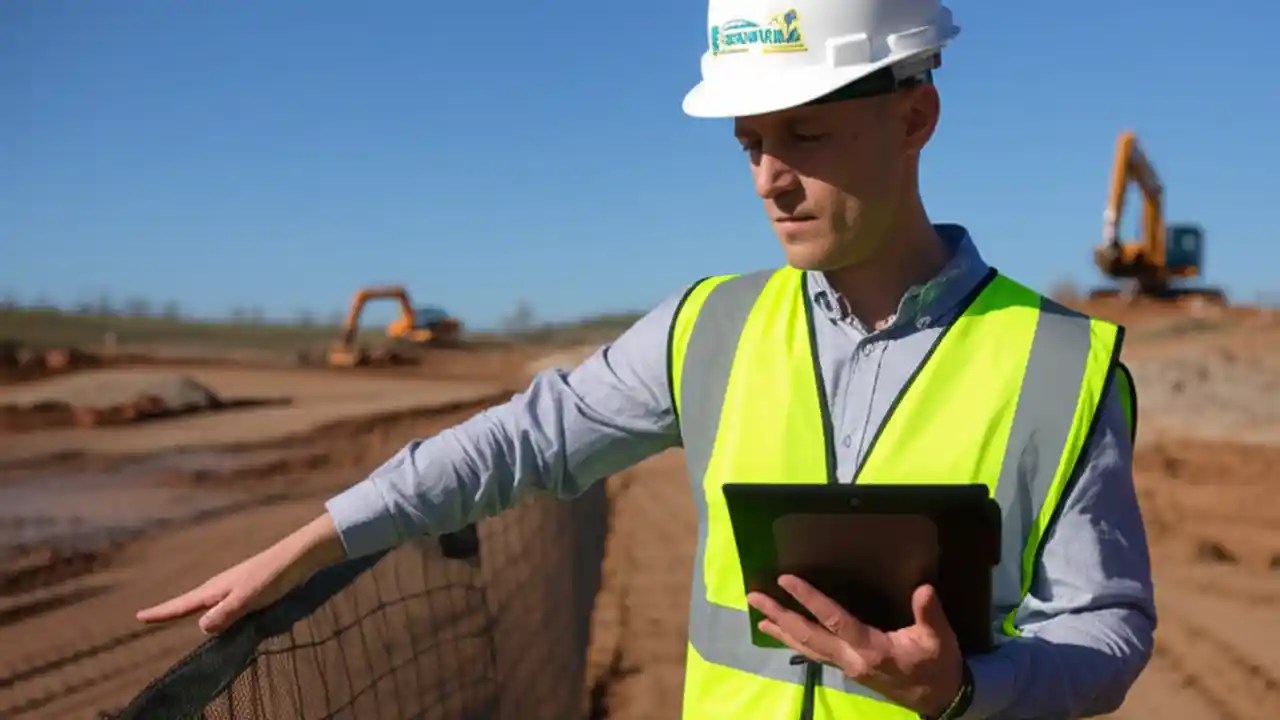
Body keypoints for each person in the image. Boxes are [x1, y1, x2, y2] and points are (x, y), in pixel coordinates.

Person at [137, 1, 1157, 718]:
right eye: (748, 142)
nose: (768, 179)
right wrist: (319, 537)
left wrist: (966, 688)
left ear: (912, 117)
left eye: (803, 135)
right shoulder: (704, 327)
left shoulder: (1058, 367)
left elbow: (1105, 631)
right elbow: (520, 444)